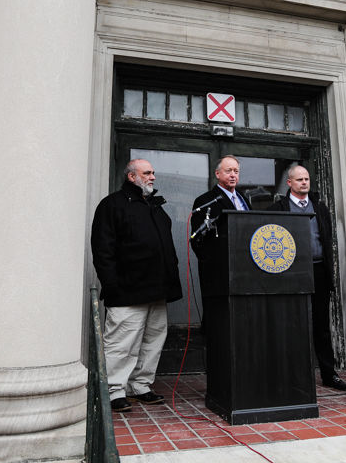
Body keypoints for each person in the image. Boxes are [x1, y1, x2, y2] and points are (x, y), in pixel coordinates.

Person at [91, 159, 183, 412]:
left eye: (153, 172)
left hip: (158, 292)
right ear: (132, 177)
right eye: (147, 173)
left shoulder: (156, 207)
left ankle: (140, 386)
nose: (153, 177)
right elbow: (103, 250)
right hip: (127, 292)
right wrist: (112, 284)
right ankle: (113, 389)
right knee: (121, 343)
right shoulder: (112, 205)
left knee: (152, 342)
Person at [269, 165, 346, 391]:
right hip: (292, 274)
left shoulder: (320, 208)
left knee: (322, 327)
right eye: (299, 180)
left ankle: (329, 375)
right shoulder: (279, 209)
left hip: (318, 272)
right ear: (290, 183)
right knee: (293, 325)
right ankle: (293, 375)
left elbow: (327, 242)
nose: (304, 183)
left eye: (306, 179)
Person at [190, 155, 251, 264]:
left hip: (244, 263)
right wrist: (210, 262)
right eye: (228, 171)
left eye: (236, 171)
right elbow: (197, 240)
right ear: (217, 174)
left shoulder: (244, 199)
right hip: (220, 267)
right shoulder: (205, 200)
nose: (233, 175)